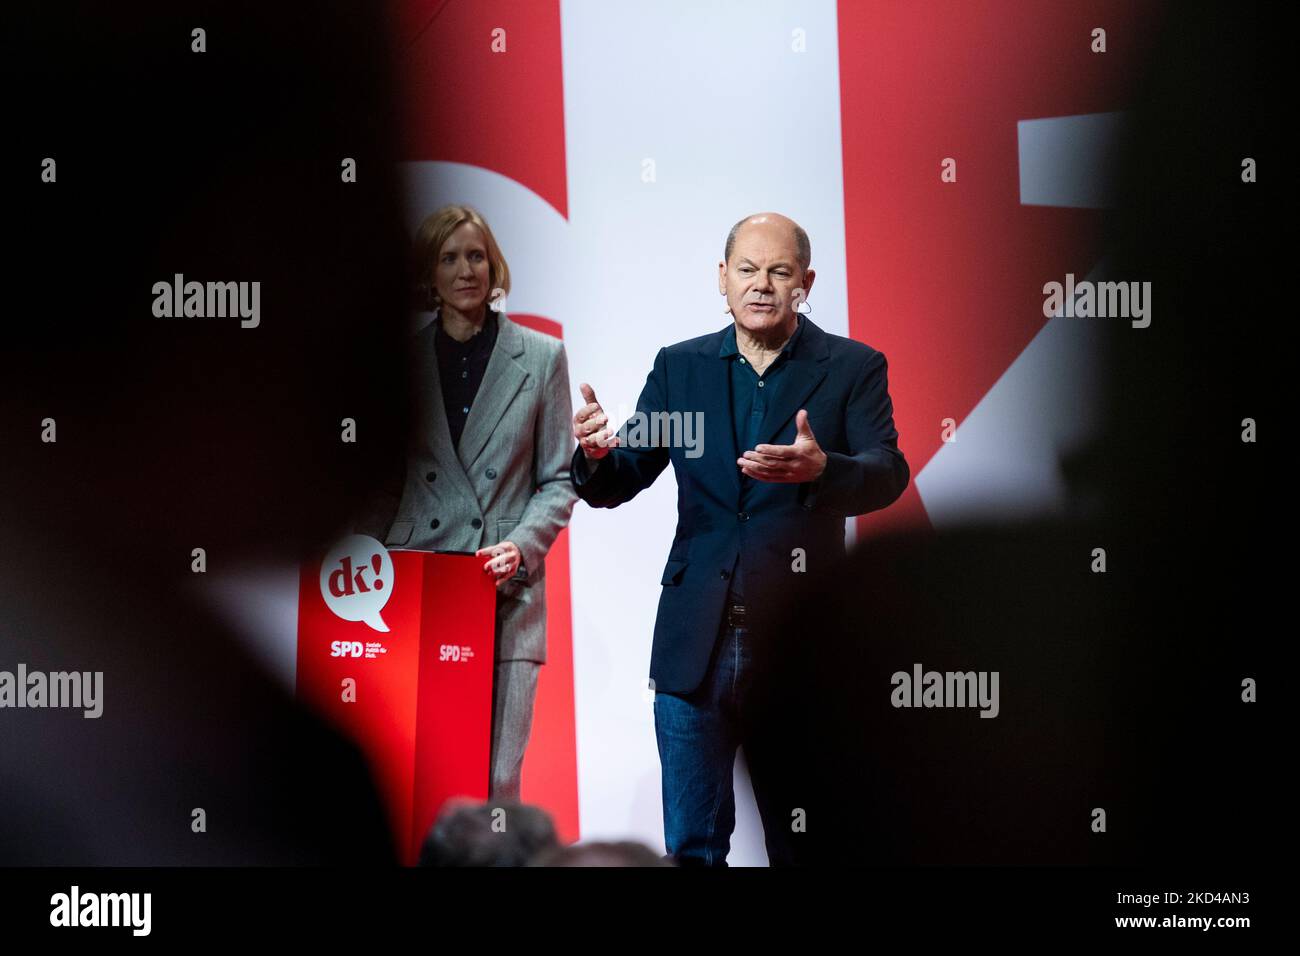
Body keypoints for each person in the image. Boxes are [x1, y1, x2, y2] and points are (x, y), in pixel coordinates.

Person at [570, 212, 909, 865]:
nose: (762, 285)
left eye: (779, 272)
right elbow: (620, 478)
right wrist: (591, 453)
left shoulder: (852, 367)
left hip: (799, 644)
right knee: (693, 847)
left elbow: (886, 473)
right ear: (721, 279)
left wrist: (824, 469)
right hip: (694, 640)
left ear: (805, 282)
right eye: (747, 270)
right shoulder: (681, 367)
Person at [371, 204, 577, 800]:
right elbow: (382, 481)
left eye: (477, 255)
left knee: (495, 785)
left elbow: (560, 478)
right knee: (413, 780)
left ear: (494, 265)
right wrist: (359, 558)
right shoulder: (396, 363)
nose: (467, 270)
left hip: (504, 593)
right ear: (428, 274)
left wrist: (521, 544)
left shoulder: (542, 357)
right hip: (413, 590)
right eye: (450, 257)